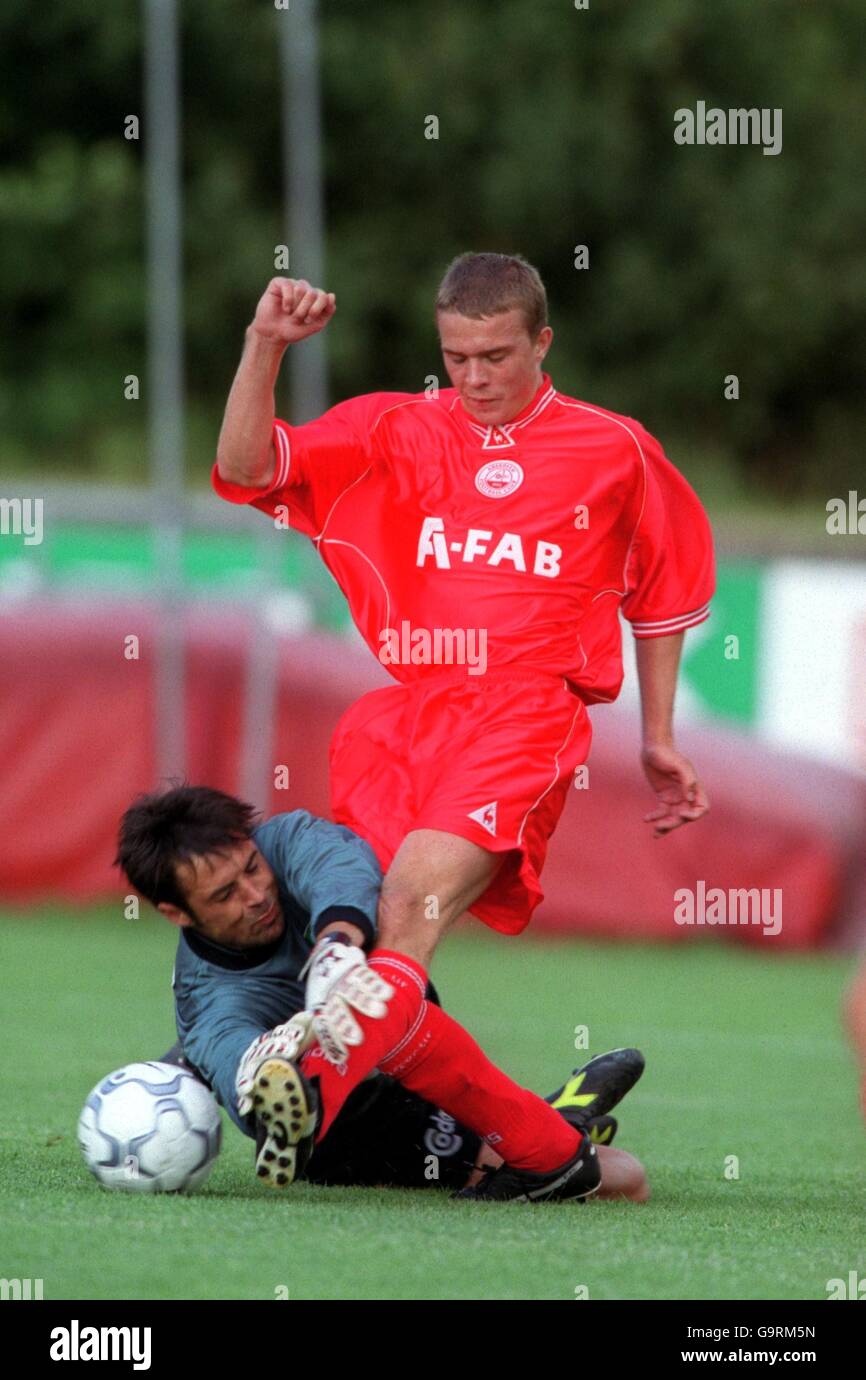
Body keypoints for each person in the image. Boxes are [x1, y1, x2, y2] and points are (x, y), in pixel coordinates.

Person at [211, 252, 714, 1198]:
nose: (474, 378)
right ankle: (543, 1146)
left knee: (404, 909)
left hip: (526, 710)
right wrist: (264, 344)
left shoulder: (615, 448)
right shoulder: (397, 426)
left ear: (542, 343)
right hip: (404, 715)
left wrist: (658, 735)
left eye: (494, 355)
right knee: (358, 932)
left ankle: (302, 1101)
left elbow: (664, 595)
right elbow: (247, 468)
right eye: (457, 357)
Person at [116, 784, 648, 1200]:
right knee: (624, 1178)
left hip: (410, 1037)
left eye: (251, 868)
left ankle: (554, 1122)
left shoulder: (283, 840)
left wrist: (337, 946)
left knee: (543, 1150)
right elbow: (231, 1059)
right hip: (363, 1128)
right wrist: (258, 1072)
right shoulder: (207, 998)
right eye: (226, 894)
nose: (256, 894)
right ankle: (559, 1124)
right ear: (177, 914)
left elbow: (341, 864)